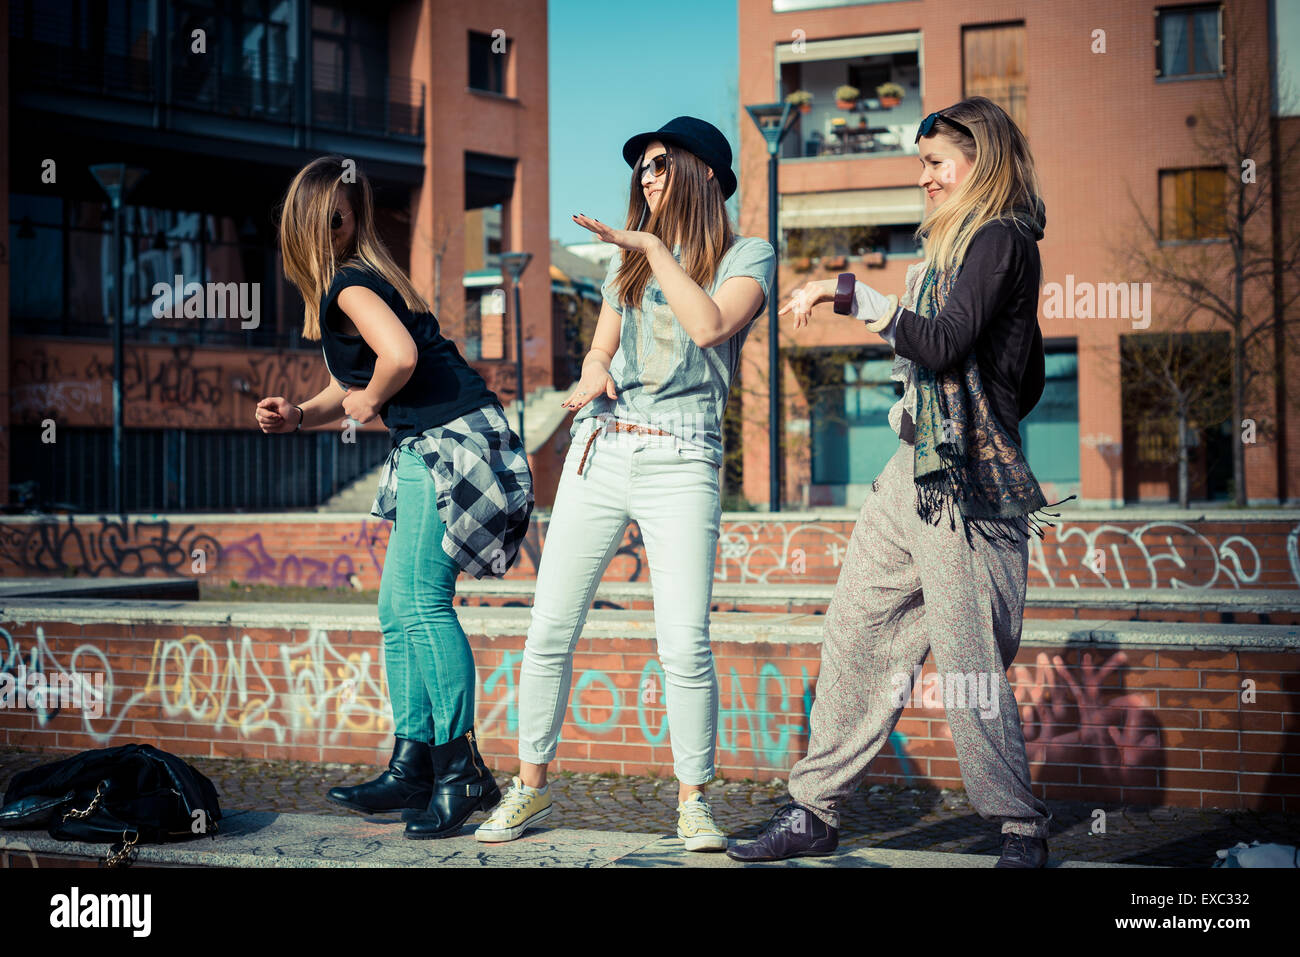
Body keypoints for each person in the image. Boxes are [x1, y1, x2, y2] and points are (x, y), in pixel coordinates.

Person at [728, 96, 1069, 867]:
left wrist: (850, 293)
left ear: (978, 159)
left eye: (935, 162)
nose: (924, 178)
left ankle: (1020, 825)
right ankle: (814, 809)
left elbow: (947, 345)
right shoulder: (946, 254)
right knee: (853, 631)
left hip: (960, 485)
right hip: (907, 473)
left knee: (969, 660)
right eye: (921, 164)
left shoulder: (1001, 240)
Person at [472, 117, 775, 851]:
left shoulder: (748, 255)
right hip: (601, 451)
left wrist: (656, 250)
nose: (645, 176)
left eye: (661, 163)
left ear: (705, 172)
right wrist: (592, 371)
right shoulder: (627, 265)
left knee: (683, 643)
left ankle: (695, 802)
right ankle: (531, 788)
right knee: (548, 628)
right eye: (640, 167)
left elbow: (709, 326)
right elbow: (602, 346)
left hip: (684, 459)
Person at [258, 155, 533, 840]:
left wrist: (370, 401)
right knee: (395, 607)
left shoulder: (350, 285)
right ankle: (414, 762)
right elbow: (357, 379)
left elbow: (399, 360)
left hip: (449, 442)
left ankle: (458, 768)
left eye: (340, 212)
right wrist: (299, 413)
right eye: (326, 213)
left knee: (421, 603)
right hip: (439, 441)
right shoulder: (357, 284)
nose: (334, 223)